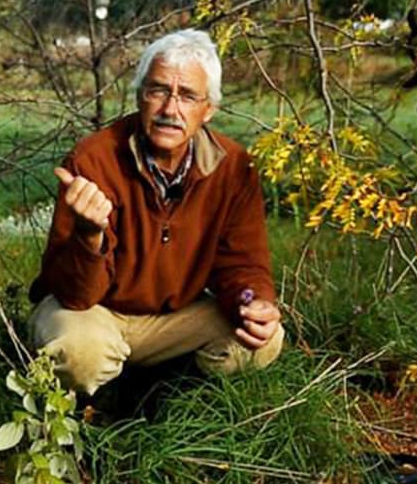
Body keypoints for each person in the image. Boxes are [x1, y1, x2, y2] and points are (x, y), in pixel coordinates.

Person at [28, 29, 283, 395]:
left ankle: (170, 401)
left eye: (188, 96)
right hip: (95, 312)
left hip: (174, 319)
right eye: (158, 91)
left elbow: (241, 265)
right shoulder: (93, 159)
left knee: (264, 338)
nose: (169, 110)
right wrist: (89, 235)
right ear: (140, 96)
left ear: (208, 109)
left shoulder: (234, 168)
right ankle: (78, 416)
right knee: (80, 353)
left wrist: (252, 301)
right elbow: (74, 295)